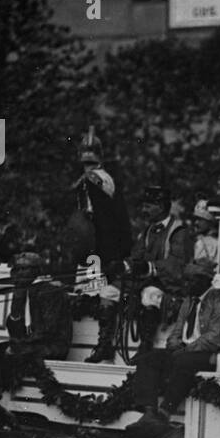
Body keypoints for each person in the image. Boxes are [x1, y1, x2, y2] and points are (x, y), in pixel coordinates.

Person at [124, 274, 220, 438]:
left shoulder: (217, 299)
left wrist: (185, 350)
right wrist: (175, 345)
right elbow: (177, 331)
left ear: (204, 280)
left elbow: (213, 338)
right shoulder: (189, 300)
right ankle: (149, 412)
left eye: (192, 280)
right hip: (186, 350)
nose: (187, 283)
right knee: (149, 359)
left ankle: (165, 413)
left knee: (183, 361)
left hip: (207, 353)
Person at [107, 183, 192, 360]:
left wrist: (149, 267)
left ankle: (145, 346)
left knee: (150, 294)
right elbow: (136, 256)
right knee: (108, 292)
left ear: (160, 207)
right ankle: (104, 344)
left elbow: (177, 265)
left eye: (148, 206)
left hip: (168, 284)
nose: (144, 210)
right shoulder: (147, 230)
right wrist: (122, 265)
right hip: (142, 281)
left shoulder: (179, 231)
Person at [73, 136, 134, 363]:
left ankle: (104, 344)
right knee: (86, 291)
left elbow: (102, 217)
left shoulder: (98, 180)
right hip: (92, 249)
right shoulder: (90, 180)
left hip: (105, 248)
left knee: (103, 292)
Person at [4, 251, 72, 363]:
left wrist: (21, 346)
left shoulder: (50, 291)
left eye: (24, 269)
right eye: (16, 269)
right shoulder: (24, 290)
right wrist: (17, 300)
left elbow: (48, 331)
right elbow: (14, 332)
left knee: (11, 354)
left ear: (37, 271)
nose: (19, 273)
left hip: (52, 347)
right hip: (31, 344)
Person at [191, 200, 219, 266]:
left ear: (210, 222)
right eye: (196, 219)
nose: (196, 223)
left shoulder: (201, 242)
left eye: (200, 219)